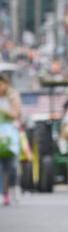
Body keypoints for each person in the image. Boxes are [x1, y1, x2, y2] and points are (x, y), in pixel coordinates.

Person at [0, 72, 22, 204]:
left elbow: (16, 114)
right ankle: (2, 194)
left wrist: (3, 110)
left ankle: (14, 188)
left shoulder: (13, 96)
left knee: (12, 165)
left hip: (11, 134)